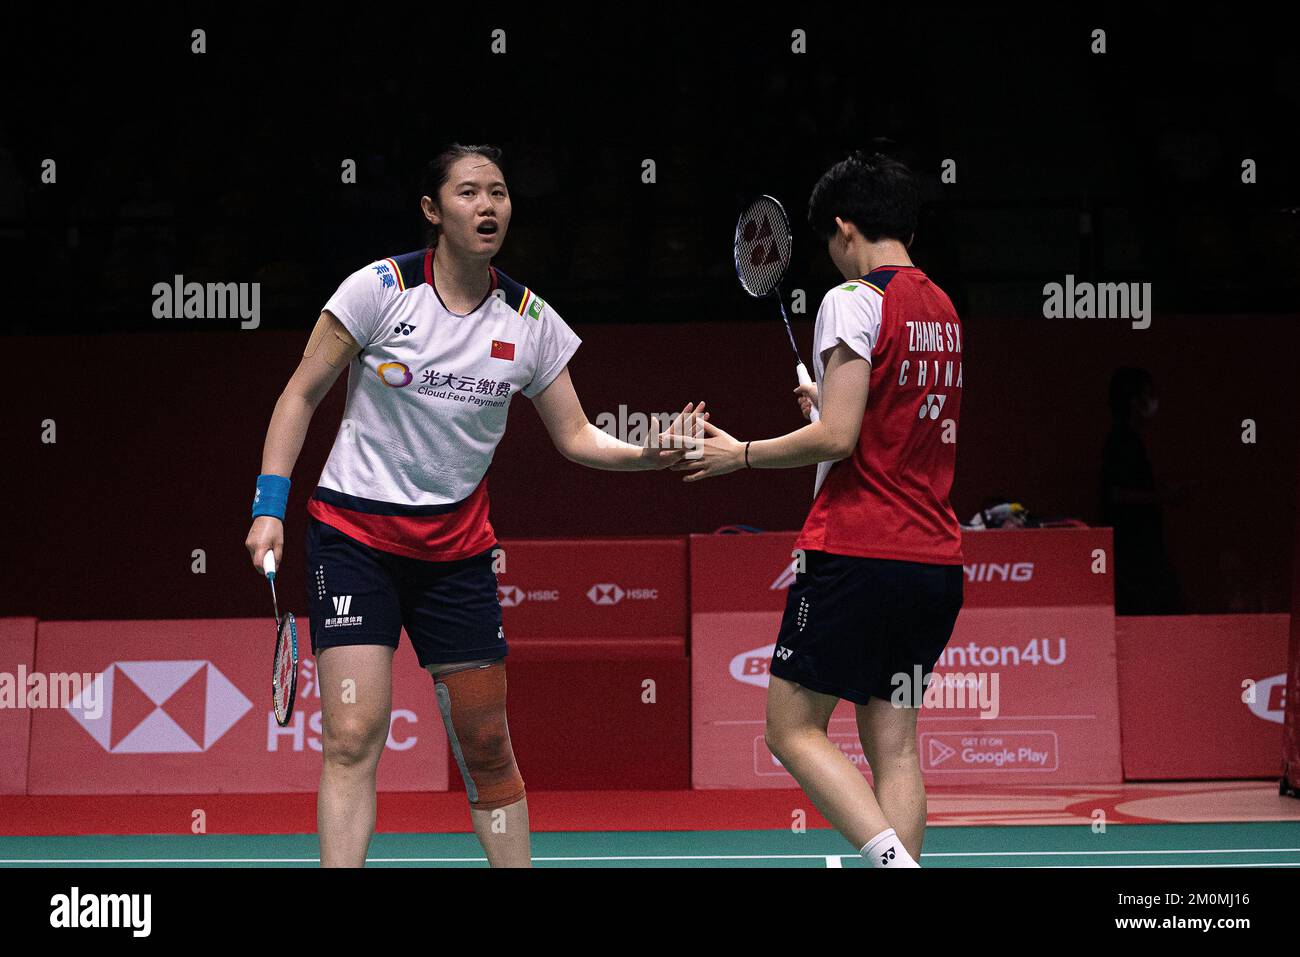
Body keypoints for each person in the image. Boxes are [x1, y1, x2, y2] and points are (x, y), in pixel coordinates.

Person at [244, 143, 702, 867]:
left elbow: (577, 435)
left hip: (455, 556)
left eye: (498, 192)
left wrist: (650, 452)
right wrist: (269, 503)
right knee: (354, 733)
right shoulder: (378, 290)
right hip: (353, 540)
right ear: (433, 210)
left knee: (487, 745)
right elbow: (299, 394)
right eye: (468, 192)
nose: (487, 206)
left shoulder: (529, 320)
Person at [670, 151, 964, 867]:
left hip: (858, 553)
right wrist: (831, 400)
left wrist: (737, 453)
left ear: (842, 229)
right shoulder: (944, 309)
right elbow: (888, 423)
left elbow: (837, 436)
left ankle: (895, 867)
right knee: (893, 744)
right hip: (932, 562)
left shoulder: (853, 298)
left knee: (790, 727)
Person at [1099, 367, 1186, 614]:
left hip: (1143, 549)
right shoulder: (1120, 441)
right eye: (1148, 395)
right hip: (1132, 553)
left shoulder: (1133, 442)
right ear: (1133, 402)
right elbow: (1115, 493)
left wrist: (1159, 489)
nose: (1154, 401)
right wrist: (1164, 497)